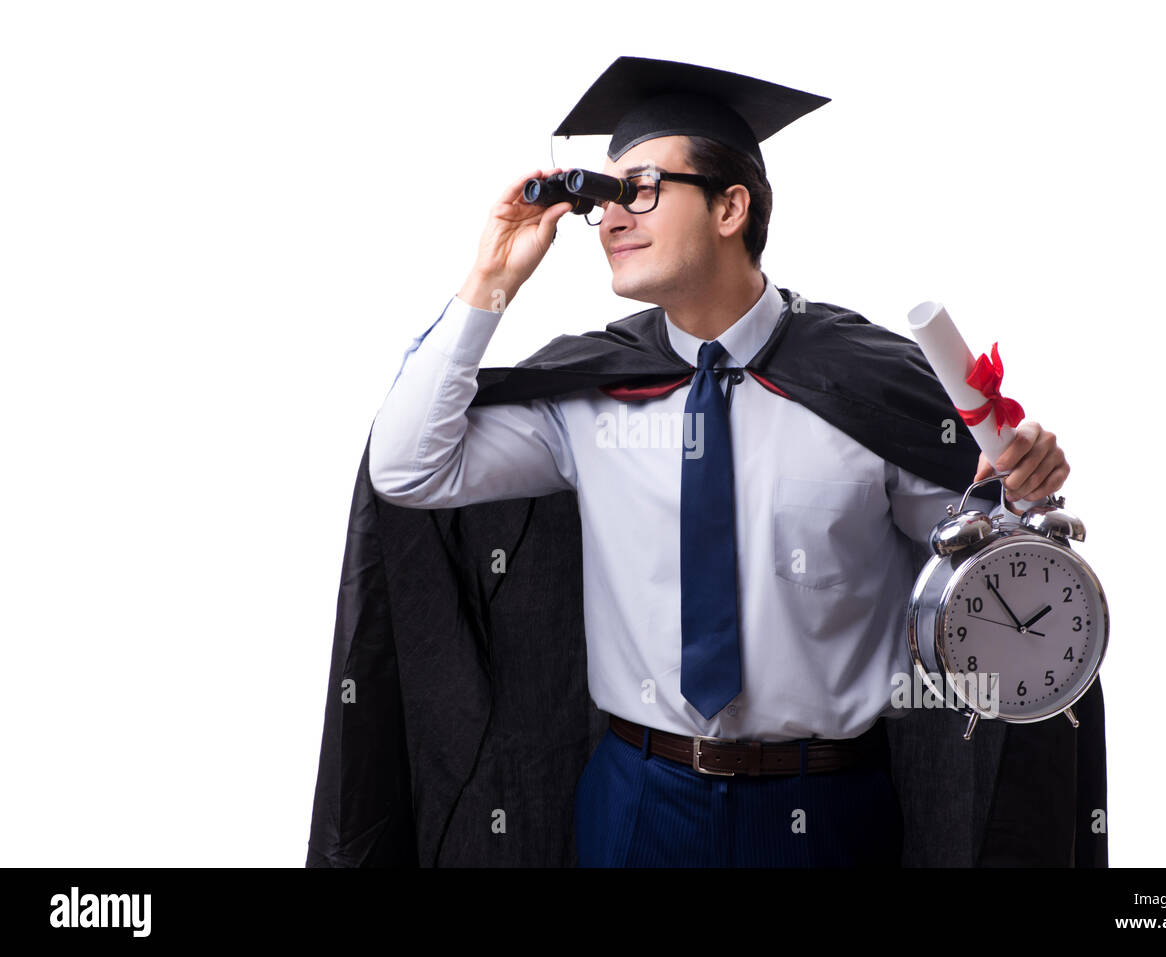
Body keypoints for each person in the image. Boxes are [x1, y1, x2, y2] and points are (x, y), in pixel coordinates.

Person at [307, 56, 1106, 868]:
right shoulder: (588, 394)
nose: (613, 215)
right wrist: (490, 277)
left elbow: (995, 565)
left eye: (643, 188)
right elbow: (406, 466)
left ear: (731, 207)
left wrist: (1016, 490)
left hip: (824, 811)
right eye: (603, 198)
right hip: (638, 802)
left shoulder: (867, 383)